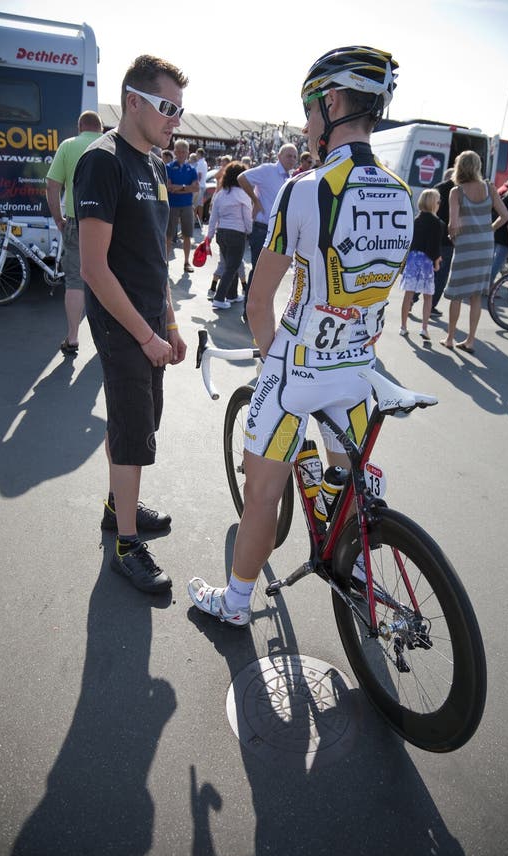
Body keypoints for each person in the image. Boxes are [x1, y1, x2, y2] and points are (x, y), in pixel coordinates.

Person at [188, 46, 413, 626]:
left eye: (310, 109)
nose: (308, 123)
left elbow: (259, 300)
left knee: (261, 493)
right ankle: (357, 567)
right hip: (357, 369)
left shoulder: (303, 188)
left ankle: (236, 604)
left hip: (298, 366)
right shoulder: (402, 194)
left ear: (331, 103)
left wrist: (269, 365)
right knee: (350, 488)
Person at [74, 54, 188, 594]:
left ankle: (116, 504)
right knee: (133, 431)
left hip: (147, 321)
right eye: (168, 107)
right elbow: (93, 267)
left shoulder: (156, 165)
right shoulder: (103, 160)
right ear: (133, 101)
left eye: (181, 110)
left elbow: (154, 258)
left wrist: (168, 322)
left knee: (135, 425)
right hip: (122, 327)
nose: (176, 120)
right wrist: (144, 335)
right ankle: (125, 543)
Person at [45, 110, 104, 355]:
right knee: (108, 280)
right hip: (110, 224)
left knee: (75, 281)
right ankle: (107, 339)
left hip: (77, 221)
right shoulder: (111, 145)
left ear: (80, 127)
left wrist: (58, 218)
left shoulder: (69, 146)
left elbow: (52, 185)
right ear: (100, 128)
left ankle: (72, 338)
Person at [440, 151, 508, 354]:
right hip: (485, 246)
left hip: (465, 247)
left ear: (459, 166)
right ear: (477, 166)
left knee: (456, 294)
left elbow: (453, 225)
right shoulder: (489, 188)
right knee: (476, 295)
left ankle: (451, 338)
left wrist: (454, 238)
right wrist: (489, 229)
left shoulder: (457, 192)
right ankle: (470, 340)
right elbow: (504, 215)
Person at [237, 142, 298, 298]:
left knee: (268, 275)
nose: (292, 159)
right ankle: (249, 310)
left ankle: (258, 307)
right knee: (258, 272)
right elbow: (242, 178)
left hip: (276, 232)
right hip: (262, 229)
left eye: (294, 156)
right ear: (279, 156)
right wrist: (255, 201)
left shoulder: (289, 178)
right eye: (288, 156)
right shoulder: (268, 170)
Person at [206, 160, 252, 310]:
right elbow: (247, 217)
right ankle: (219, 298)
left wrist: (210, 236)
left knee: (229, 265)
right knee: (232, 267)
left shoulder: (220, 194)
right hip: (236, 234)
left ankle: (231, 295)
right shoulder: (243, 194)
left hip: (222, 233)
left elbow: (213, 217)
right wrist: (251, 232)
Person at [399, 188, 442, 342]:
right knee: (428, 297)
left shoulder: (415, 220)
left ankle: (403, 326)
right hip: (425, 262)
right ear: (432, 203)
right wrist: (436, 261)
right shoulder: (436, 222)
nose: (439, 204)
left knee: (408, 295)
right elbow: (434, 246)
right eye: (438, 201)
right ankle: (424, 328)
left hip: (412, 259)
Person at [166, 138, 199, 272]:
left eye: (183, 152)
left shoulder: (191, 169)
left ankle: (186, 262)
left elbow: (196, 188)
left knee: (187, 235)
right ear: (175, 152)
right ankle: (165, 261)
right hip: (172, 205)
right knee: (168, 235)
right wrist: (186, 187)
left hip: (186, 205)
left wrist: (179, 187)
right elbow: (168, 187)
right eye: (178, 151)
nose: (181, 154)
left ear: (187, 153)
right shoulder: (168, 167)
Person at [430, 167, 455, 316]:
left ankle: (412, 300)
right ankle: (431, 305)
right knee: (441, 274)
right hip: (447, 238)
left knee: (424, 270)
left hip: (433, 235)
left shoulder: (437, 188)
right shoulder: (459, 192)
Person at [194, 146, 209, 223]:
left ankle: (194, 220)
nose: (196, 155)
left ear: (199, 154)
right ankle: (199, 220)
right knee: (200, 204)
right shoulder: (204, 162)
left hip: (199, 186)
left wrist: (195, 184)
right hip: (202, 185)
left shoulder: (200, 163)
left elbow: (199, 175)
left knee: (196, 204)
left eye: (197, 153)